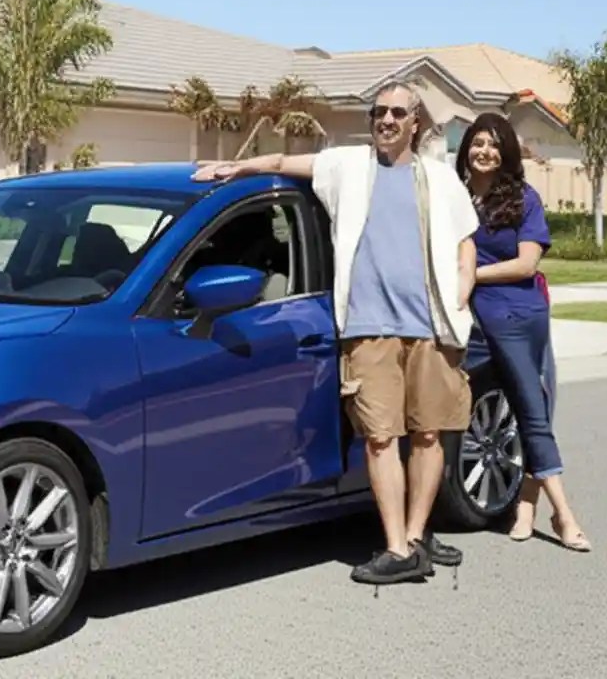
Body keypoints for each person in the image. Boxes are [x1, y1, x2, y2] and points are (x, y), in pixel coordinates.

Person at [192, 80, 480, 584]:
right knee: (379, 438)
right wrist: (239, 167)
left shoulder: (439, 178)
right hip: (367, 328)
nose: (386, 120)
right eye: (378, 112)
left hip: (431, 326)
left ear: (415, 123)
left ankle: (417, 538)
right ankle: (396, 547)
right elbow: (285, 162)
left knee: (430, 433)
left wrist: (462, 287)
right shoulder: (348, 166)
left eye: (397, 113)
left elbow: (465, 240)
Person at [455, 112, 591, 552]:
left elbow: (526, 264)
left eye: (493, 144)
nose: (484, 151)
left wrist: (470, 275)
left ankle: (563, 515)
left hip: (519, 312)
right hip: (475, 318)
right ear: (466, 148)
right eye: (478, 143)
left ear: (507, 152)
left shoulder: (523, 199)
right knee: (519, 402)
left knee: (532, 406)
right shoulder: (455, 197)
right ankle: (527, 505)